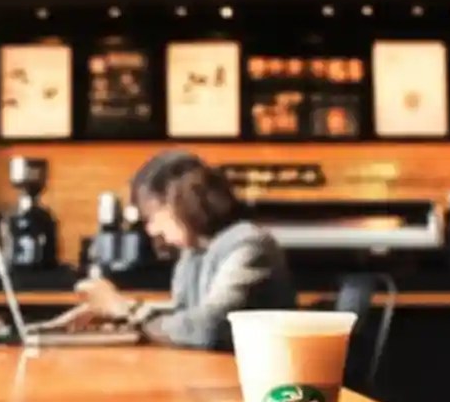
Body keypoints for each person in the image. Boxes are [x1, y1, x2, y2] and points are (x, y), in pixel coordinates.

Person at [72, 150, 295, 351]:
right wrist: (116, 313)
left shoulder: (248, 244)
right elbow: (182, 318)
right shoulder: (192, 253)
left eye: (154, 214)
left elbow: (207, 329)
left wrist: (126, 311)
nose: (151, 229)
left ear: (184, 202)